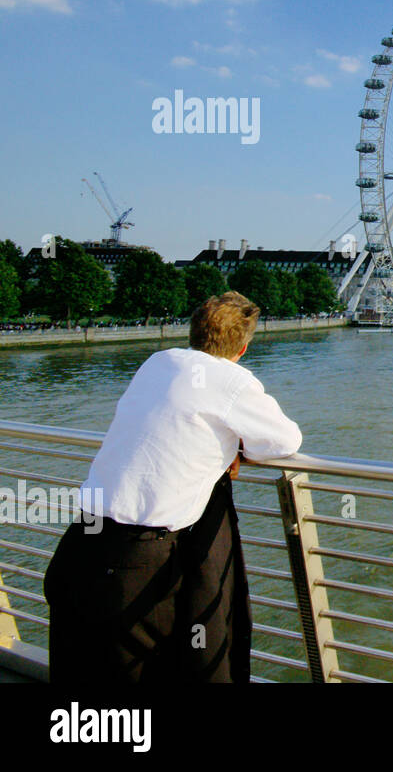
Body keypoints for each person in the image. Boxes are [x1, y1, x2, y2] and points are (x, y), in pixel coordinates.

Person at [43, 291, 302, 682]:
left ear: (193, 332)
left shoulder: (157, 362)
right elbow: (285, 442)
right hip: (137, 561)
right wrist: (234, 446)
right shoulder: (232, 381)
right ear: (244, 347)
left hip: (81, 544)